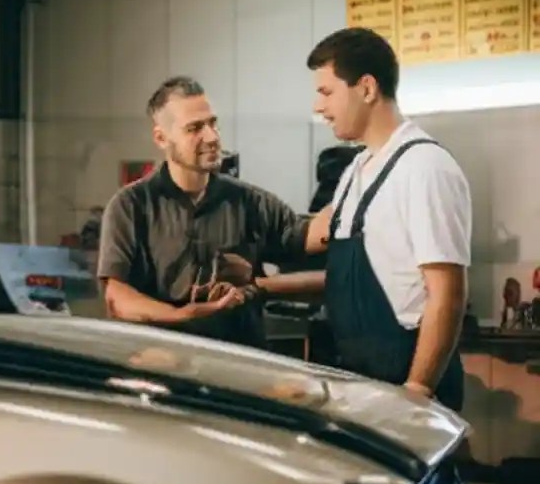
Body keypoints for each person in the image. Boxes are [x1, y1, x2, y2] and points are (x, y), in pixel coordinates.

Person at [301, 27, 472, 411]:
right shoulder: (355, 170)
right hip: (362, 383)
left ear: (366, 88)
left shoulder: (424, 167)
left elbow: (448, 292)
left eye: (326, 92)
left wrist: (418, 389)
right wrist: (258, 284)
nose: (317, 106)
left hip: (408, 385)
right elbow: (334, 263)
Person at [97, 76, 328, 351]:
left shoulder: (251, 202)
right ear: (161, 137)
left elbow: (309, 236)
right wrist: (182, 316)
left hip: (240, 365)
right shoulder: (130, 206)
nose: (212, 137)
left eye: (212, 123)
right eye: (195, 128)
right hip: (162, 366)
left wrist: (366, 175)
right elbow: (116, 297)